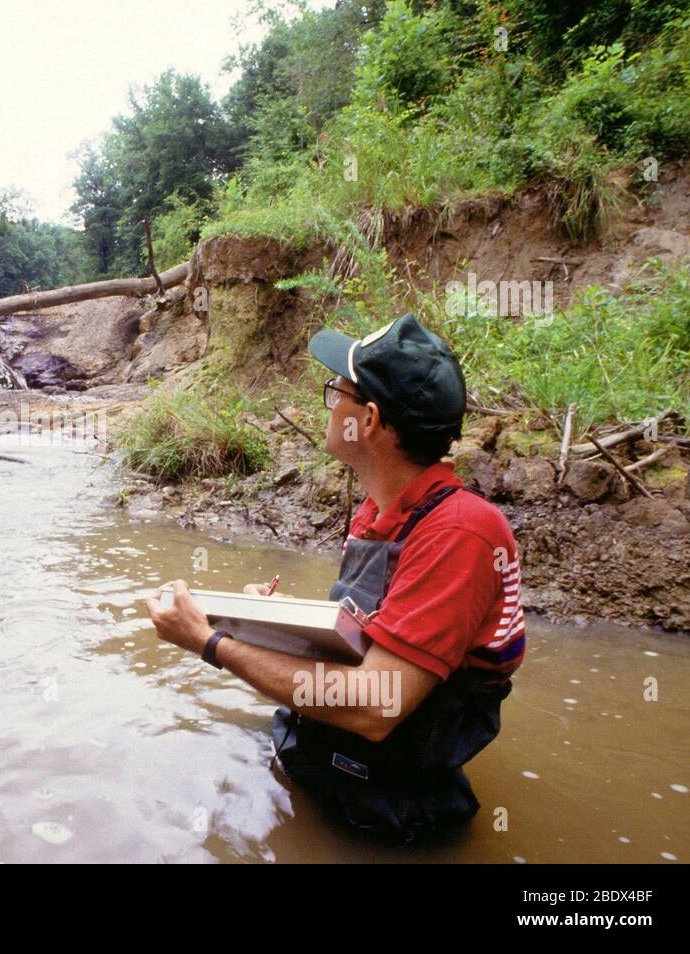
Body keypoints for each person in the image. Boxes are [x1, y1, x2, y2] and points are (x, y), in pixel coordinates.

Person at [145, 313, 525, 844]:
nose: (328, 406)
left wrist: (211, 643)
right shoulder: (385, 508)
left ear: (367, 420)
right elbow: (382, 629)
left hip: (388, 809)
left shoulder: (461, 533)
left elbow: (377, 704)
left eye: (335, 392)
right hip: (326, 759)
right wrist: (275, 620)